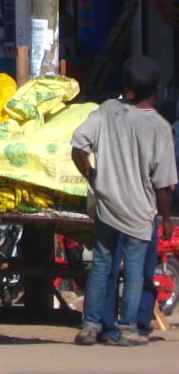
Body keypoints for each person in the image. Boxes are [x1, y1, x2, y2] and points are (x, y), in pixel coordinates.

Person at [72, 55, 176, 346]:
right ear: (157, 91)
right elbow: (163, 185)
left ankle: (90, 326)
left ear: (127, 87)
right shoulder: (159, 127)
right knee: (134, 270)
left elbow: (78, 145)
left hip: (108, 205)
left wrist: (91, 176)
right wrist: (166, 220)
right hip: (140, 211)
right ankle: (128, 328)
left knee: (102, 264)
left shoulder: (108, 110)